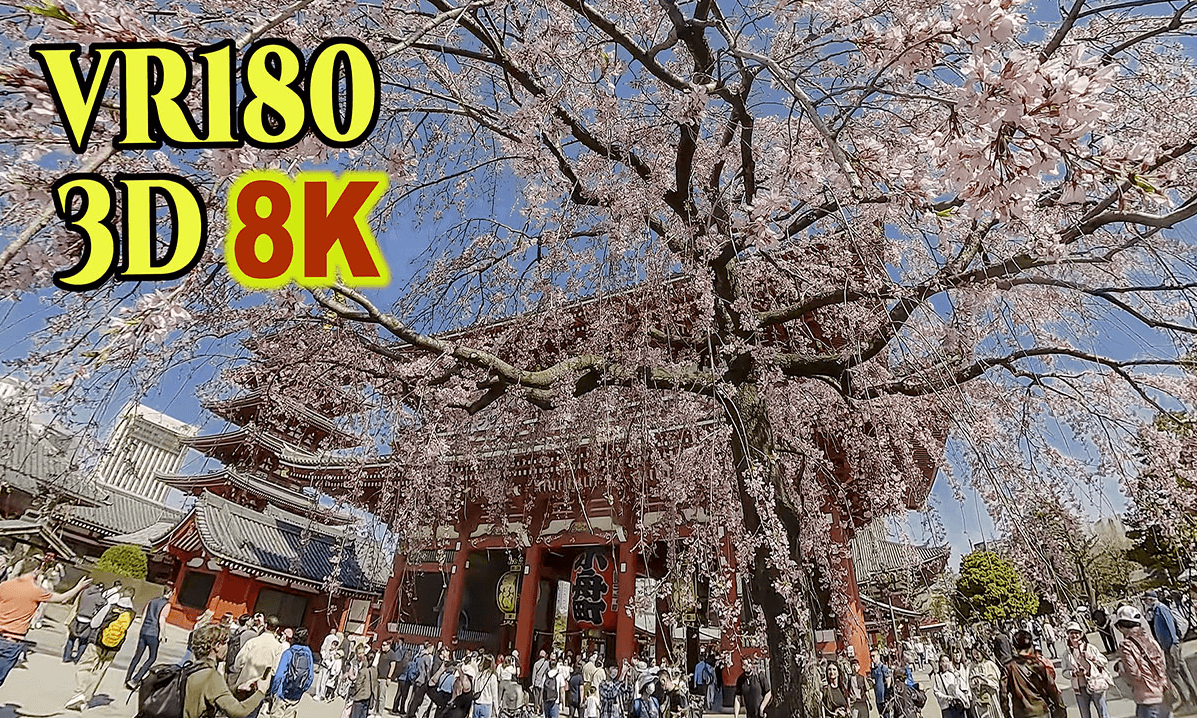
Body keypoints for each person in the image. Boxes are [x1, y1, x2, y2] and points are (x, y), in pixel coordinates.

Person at [0, 568, 90, 686]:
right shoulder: (35, 591)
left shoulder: (4, 585)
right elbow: (62, 598)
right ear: (36, 572)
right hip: (12, 639)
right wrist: (78, 587)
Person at [66, 588, 137, 710]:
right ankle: (87, 698)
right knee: (100, 670)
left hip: (97, 641)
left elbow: (95, 623)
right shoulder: (131, 614)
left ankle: (79, 692)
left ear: (120, 595)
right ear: (132, 598)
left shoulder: (110, 607)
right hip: (114, 646)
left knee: (86, 665)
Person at [184, 623, 270, 718]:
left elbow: (213, 692)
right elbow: (237, 711)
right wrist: (260, 692)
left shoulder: (190, 669)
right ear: (217, 646)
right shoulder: (211, 676)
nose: (228, 647)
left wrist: (237, 689)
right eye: (226, 643)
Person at [1115, 605, 1173, 718]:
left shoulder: (1126, 645)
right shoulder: (1150, 640)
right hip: (1163, 693)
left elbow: (1134, 674)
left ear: (1121, 626)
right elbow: (1162, 662)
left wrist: (1121, 669)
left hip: (1147, 697)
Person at [1145, 590, 1197, 709]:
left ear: (1150, 599)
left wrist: (1173, 643)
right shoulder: (1156, 610)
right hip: (1168, 645)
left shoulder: (1161, 609)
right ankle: (1193, 696)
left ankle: (1186, 699)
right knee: (1182, 671)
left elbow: (1170, 625)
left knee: (1173, 673)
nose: (1145, 602)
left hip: (1171, 645)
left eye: (1146, 599)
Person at [1000, 630, 1065, 718]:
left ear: (1014, 647)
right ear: (1031, 645)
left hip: (1021, 713)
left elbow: (1003, 694)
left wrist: (1006, 714)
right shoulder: (1038, 664)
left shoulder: (1008, 667)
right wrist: (1060, 707)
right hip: (1041, 710)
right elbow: (1052, 687)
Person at [232, 616, 286, 718]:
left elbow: (238, 662)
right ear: (277, 629)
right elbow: (274, 670)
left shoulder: (253, 641)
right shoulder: (278, 647)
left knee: (237, 712)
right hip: (260, 686)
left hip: (244, 681)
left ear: (265, 626)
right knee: (252, 714)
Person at [126, 584, 172, 688]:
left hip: (144, 630)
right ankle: (136, 679)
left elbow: (144, 614)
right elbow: (162, 619)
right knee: (152, 657)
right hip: (153, 632)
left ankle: (128, 678)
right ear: (169, 593)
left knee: (137, 656)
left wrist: (142, 628)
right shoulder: (167, 604)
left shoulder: (152, 601)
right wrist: (163, 634)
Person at [1062, 622, 1111, 718]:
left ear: (1081, 634)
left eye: (1077, 633)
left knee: (1103, 712)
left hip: (1095, 683)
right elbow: (1064, 672)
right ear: (1068, 635)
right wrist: (1073, 673)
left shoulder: (1090, 648)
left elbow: (1104, 661)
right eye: (1071, 633)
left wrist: (1092, 658)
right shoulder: (1066, 654)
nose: (1074, 635)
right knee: (1085, 714)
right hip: (1080, 687)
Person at [268, 626, 315, 718]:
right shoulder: (309, 654)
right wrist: (302, 689)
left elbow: (279, 675)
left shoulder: (288, 653)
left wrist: (274, 691)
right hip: (296, 695)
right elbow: (311, 676)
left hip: (282, 692)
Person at [63, 580, 106, 663]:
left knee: (71, 639)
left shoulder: (85, 592)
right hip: (87, 621)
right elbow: (103, 603)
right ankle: (77, 658)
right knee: (83, 641)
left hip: (78, 618)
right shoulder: (98, 596)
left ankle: (66, 656)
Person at [933, 654, 971, 718]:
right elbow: (936, 692)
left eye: (948, 661)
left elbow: (960, 687)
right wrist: (946, 697)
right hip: (946, 707)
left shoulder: (953, 674)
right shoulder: (937, 676)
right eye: (943, 661)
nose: (946, 664)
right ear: (940, 663)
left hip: (957, 705)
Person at [968, 647, 1001, 718]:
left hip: (992, 697)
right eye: (974, 654)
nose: (976, 655)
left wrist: (985, 681)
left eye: (977, 653)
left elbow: (997, 682)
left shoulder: (990, 664)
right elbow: (970, 683)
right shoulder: (972, 667)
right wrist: (975, 682)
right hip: (980, 699)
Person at [406, 643, 437, 718]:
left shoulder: (419, 656)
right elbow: (428, 670)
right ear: (429, 648)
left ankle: (409, 713)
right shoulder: (427, 658)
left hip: (416, 679)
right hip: (422, 681)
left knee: (413, 698)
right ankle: (412, 714)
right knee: (418, 699)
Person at [350, 645, 379, 718]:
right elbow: (375, 684)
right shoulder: (374, 670)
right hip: (368, 696)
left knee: (355, 715)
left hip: (360, 696)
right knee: (363, 715)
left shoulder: (363, 671)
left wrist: (353, 693)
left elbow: (358, 684)